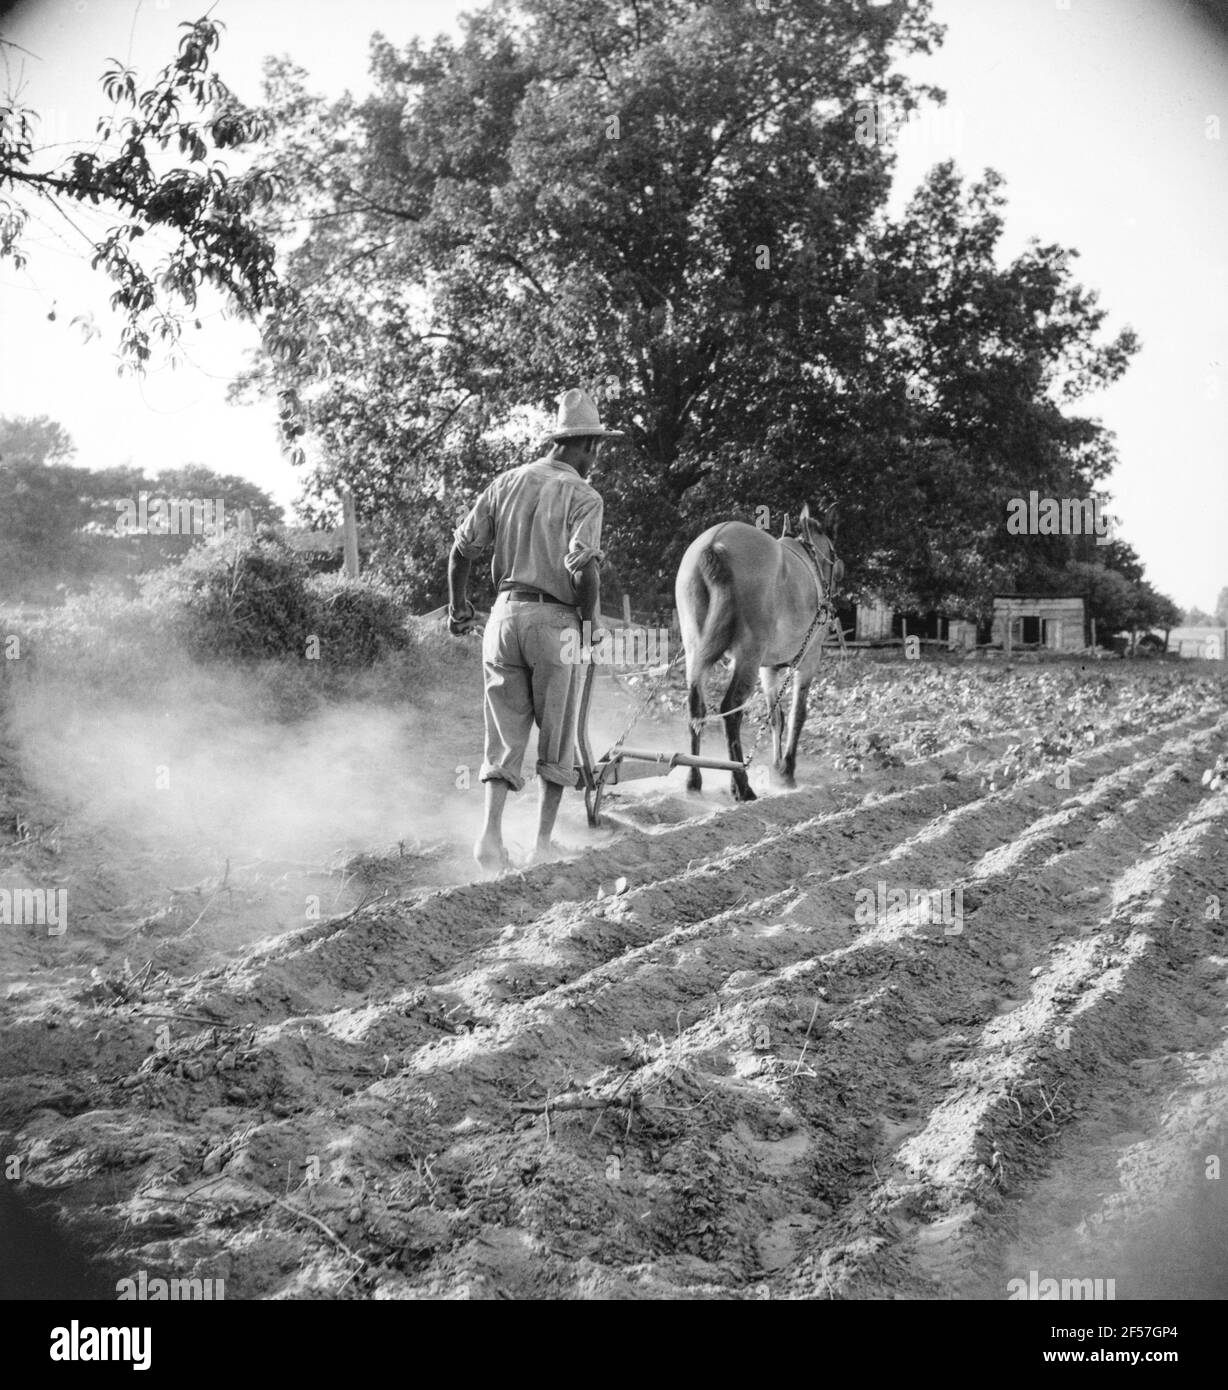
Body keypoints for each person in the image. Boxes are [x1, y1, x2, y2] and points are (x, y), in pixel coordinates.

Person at [447, 388, 623, 874]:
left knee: (503, 734)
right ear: (586, 445)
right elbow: (584, 568)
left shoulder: (505, 482)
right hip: (555, 621)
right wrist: (588, 629)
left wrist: (459, 609)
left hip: (503, 617)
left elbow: (461, 551)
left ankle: (489, 837)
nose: (595, 460)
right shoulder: (585, 496)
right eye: (596, 449)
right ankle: (543, 844)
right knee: (558, 736)